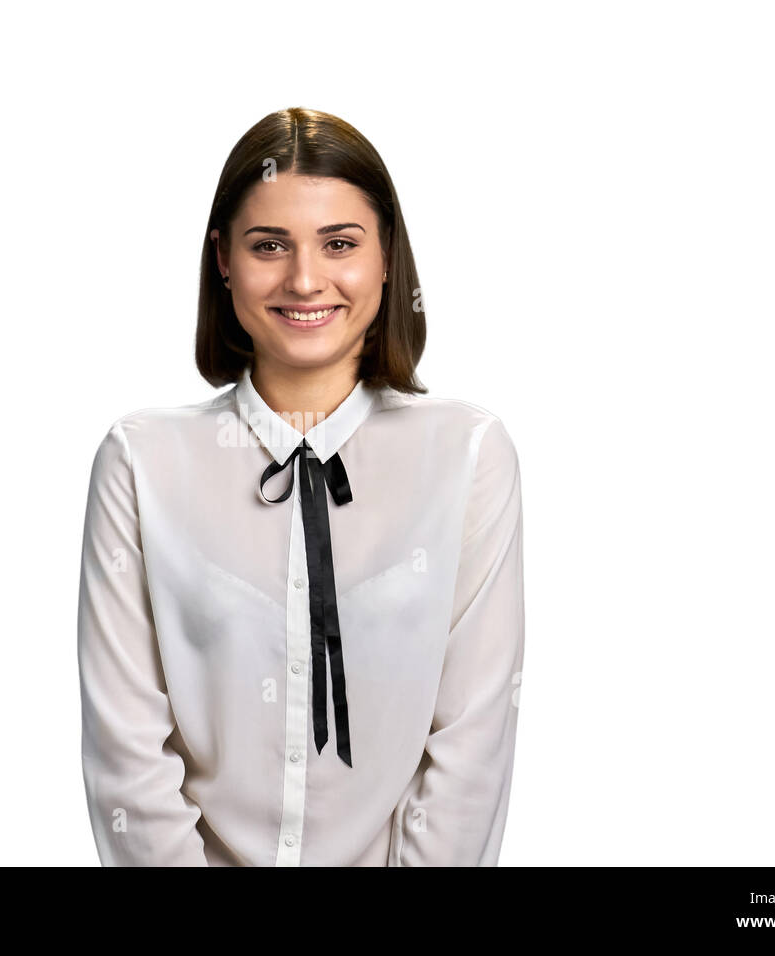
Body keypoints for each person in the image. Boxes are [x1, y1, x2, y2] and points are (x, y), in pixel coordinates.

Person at [77, 107, 525, 866]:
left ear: (388, 258)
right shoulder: (142, 462)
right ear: (223, 258)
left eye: (340, 244)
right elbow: (127, 754)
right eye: (269, 246)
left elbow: (469, 751)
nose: (305, 279)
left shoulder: (468, 455)